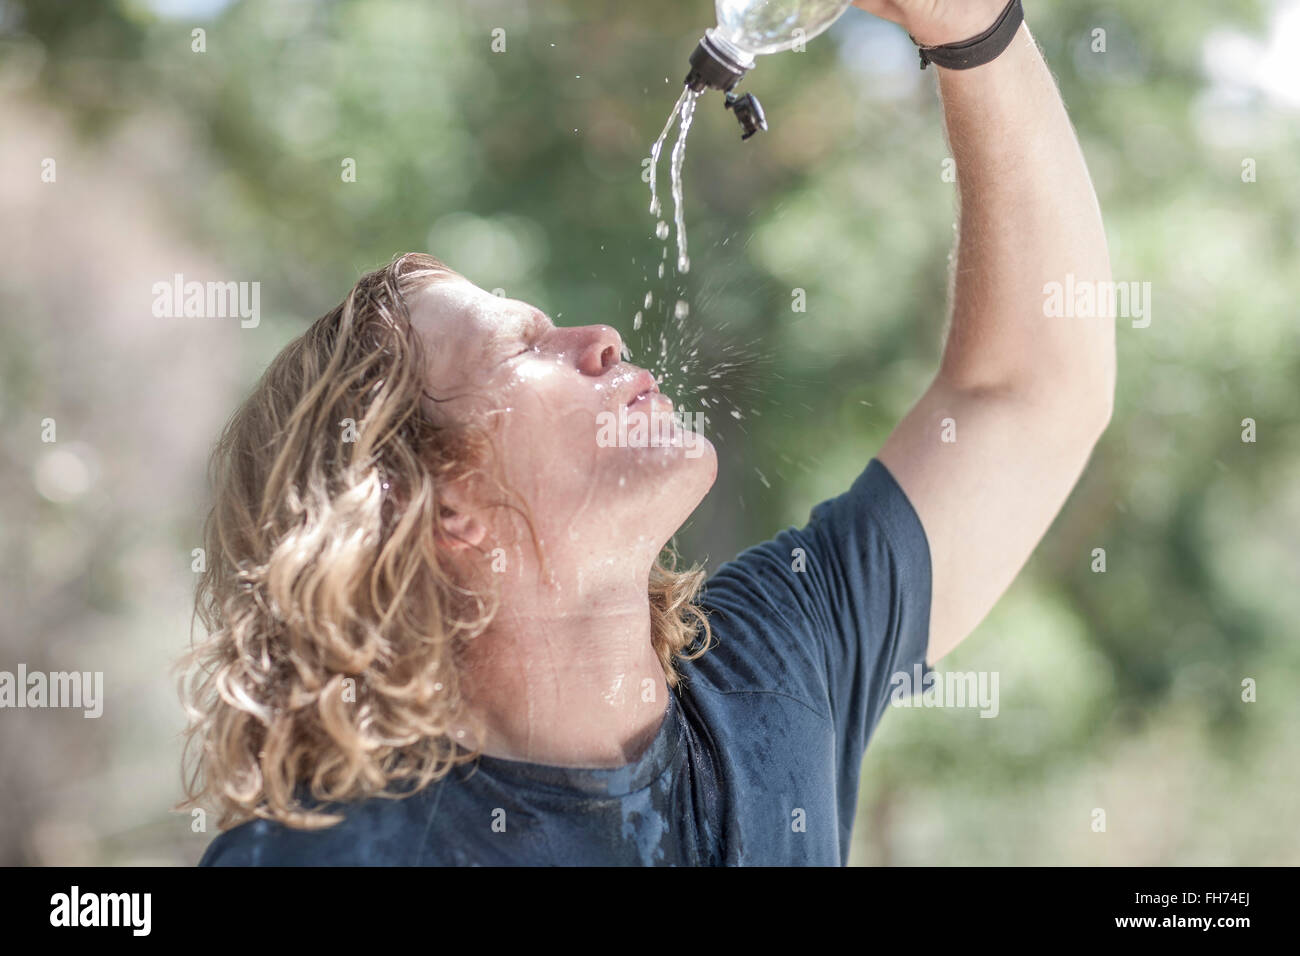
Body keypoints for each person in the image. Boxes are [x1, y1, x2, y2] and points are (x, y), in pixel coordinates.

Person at [185, 0, 1114, 865]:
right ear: (431, 501)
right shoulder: (331, 853)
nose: (599, 339)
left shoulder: (771, 672)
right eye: (523, 345)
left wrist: (973, 26)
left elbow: (1027, 392)